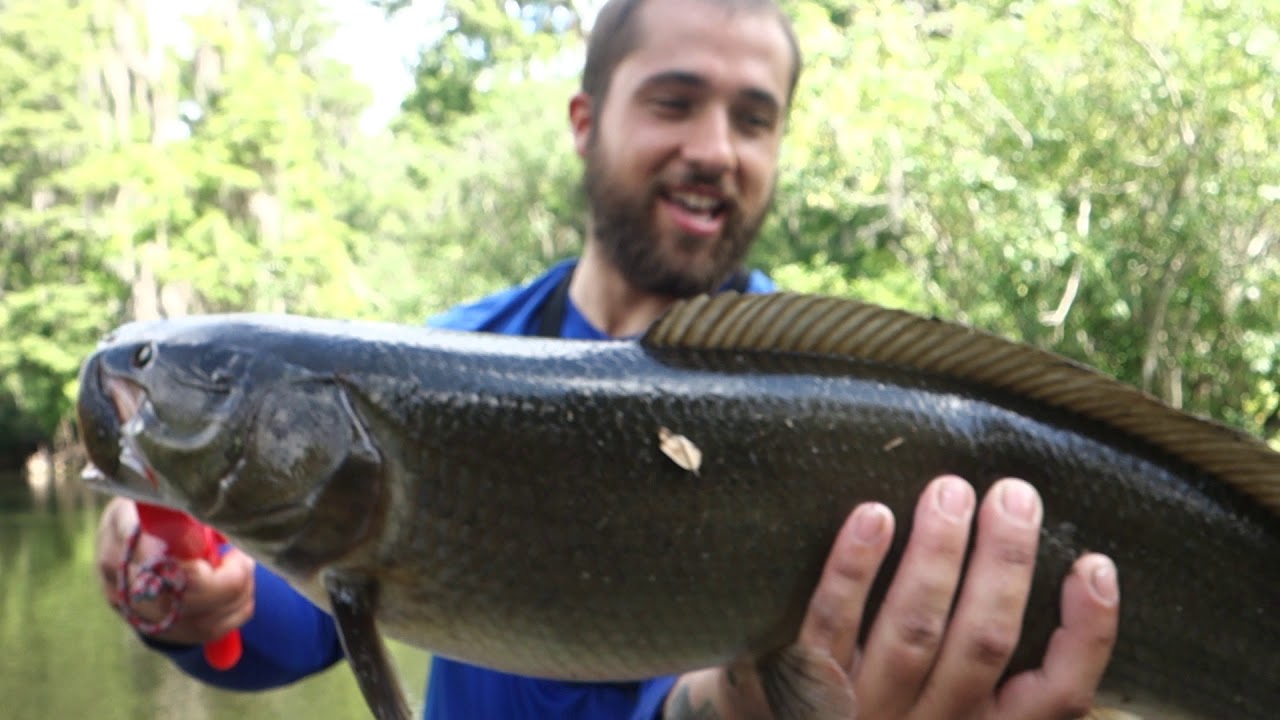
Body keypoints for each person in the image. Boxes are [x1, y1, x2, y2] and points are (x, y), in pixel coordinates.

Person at [94, 0, 1121, 717]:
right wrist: (197, 602)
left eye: (752, 118)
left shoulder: (848, 404)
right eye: (674, 101)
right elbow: (301, 625)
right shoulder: (441, 357)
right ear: (585, 124)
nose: (715, 147)